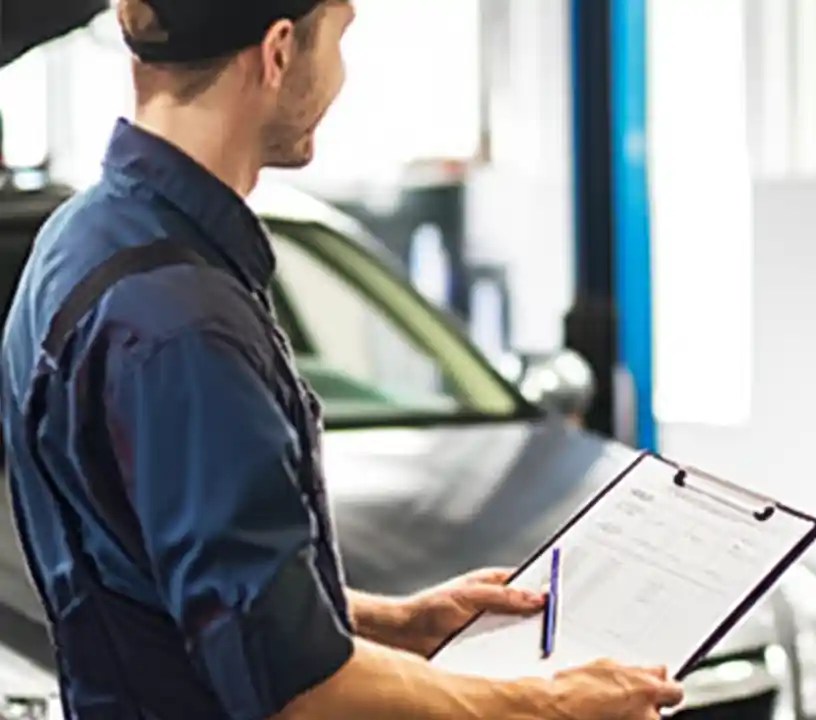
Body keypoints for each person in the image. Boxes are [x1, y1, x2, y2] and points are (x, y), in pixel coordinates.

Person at [0, 1, 684, 718]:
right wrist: (547, 705)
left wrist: (397, 622)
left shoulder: (84, 238)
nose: (341, 75)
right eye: (340, 38)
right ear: (279, 51)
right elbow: (300, 690)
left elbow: (191, 588)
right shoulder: (182, 322)